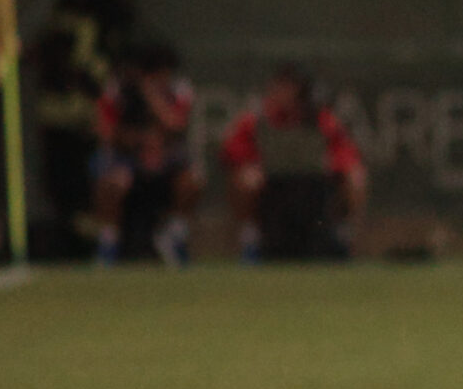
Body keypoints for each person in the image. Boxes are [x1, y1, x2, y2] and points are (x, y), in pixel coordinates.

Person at [32, 0, 133, 253]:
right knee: (58, 180)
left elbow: (112, 58)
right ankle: (70, 239)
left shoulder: (107, 3)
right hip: (56, 107)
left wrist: (95, 87)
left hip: (87, 108)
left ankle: (92, 245)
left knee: (86, 179)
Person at [219, 64, 367, 262]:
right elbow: (230, 152)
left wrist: (330, 165)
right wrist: (256, 164)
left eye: (289, 88)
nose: (281, 94)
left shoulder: (321, 120)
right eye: (278, 87)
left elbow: (347, 155)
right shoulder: (257, 120)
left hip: (314, 185)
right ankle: (252, 239)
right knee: (246, 179)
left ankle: (341, 235)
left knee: (356, 177)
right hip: (271, 186)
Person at [93, 43, 200, 266]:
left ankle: (174, 236)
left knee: (192, 181)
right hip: (128, 158)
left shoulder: (178, 89)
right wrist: (137, 139)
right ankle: (108, 242)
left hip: (166, 159)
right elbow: (106, 132)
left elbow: (175, 125)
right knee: (113, 181)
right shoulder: (118, 90)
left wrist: (151, 96)